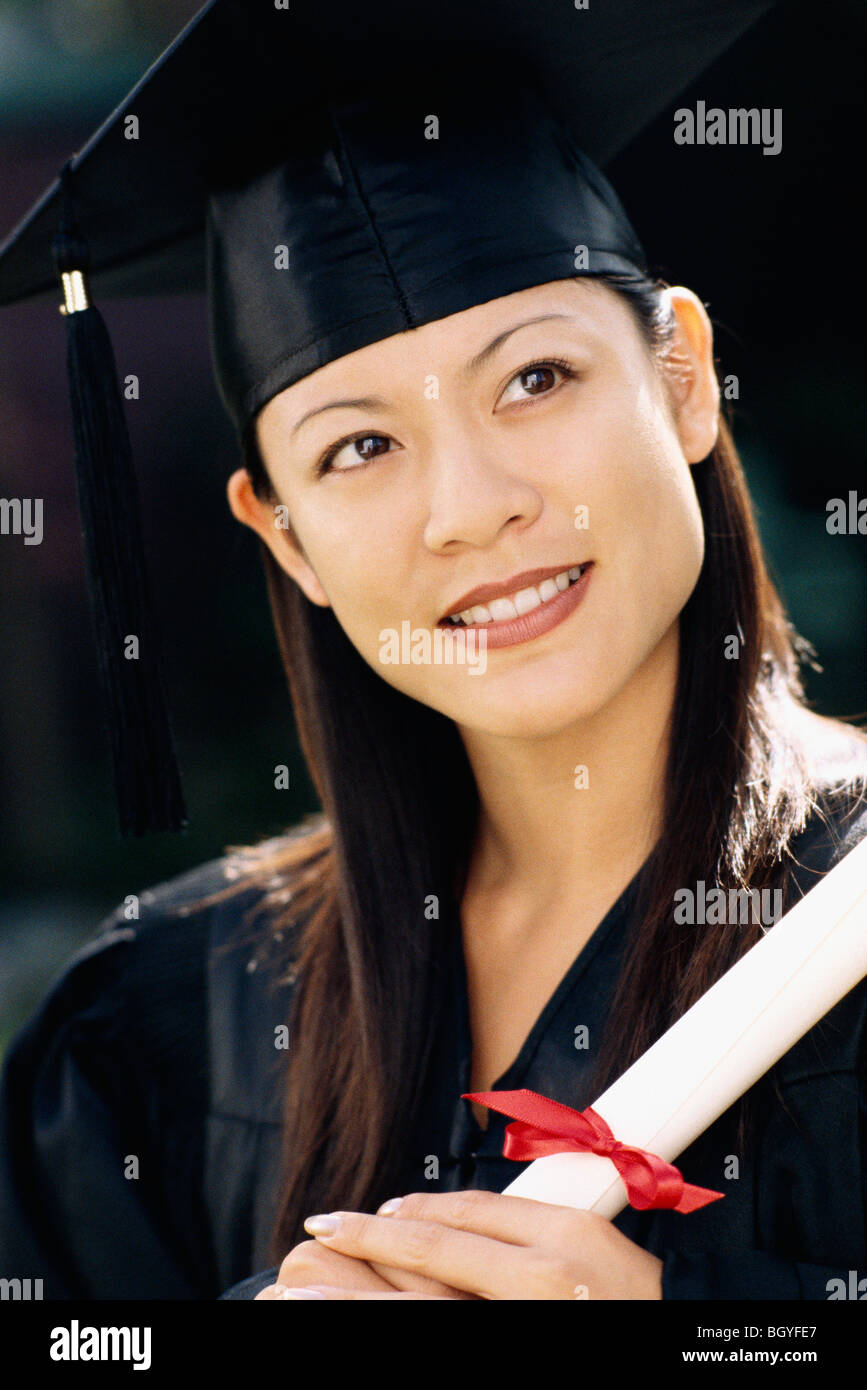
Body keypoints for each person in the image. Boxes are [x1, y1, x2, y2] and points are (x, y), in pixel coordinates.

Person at [0, 1, 865, 1301]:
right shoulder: (165, 1021)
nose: (471, 508)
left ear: (684, 378)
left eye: (535, 380)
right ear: (285, 536)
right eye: (360, 446)